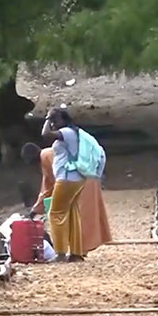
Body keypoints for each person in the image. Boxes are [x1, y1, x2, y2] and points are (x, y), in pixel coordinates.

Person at [38, 107, 114, 261]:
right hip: (76, 178)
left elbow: (44, 135)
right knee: (72, 213)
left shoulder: (66, 132)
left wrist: (47, 118)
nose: (53, 124)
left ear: (63, 120)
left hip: (67, 179)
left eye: (55, 121)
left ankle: (59, 253)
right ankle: (76, 253)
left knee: (56, 213)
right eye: (52, 121)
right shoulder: (73, 133)